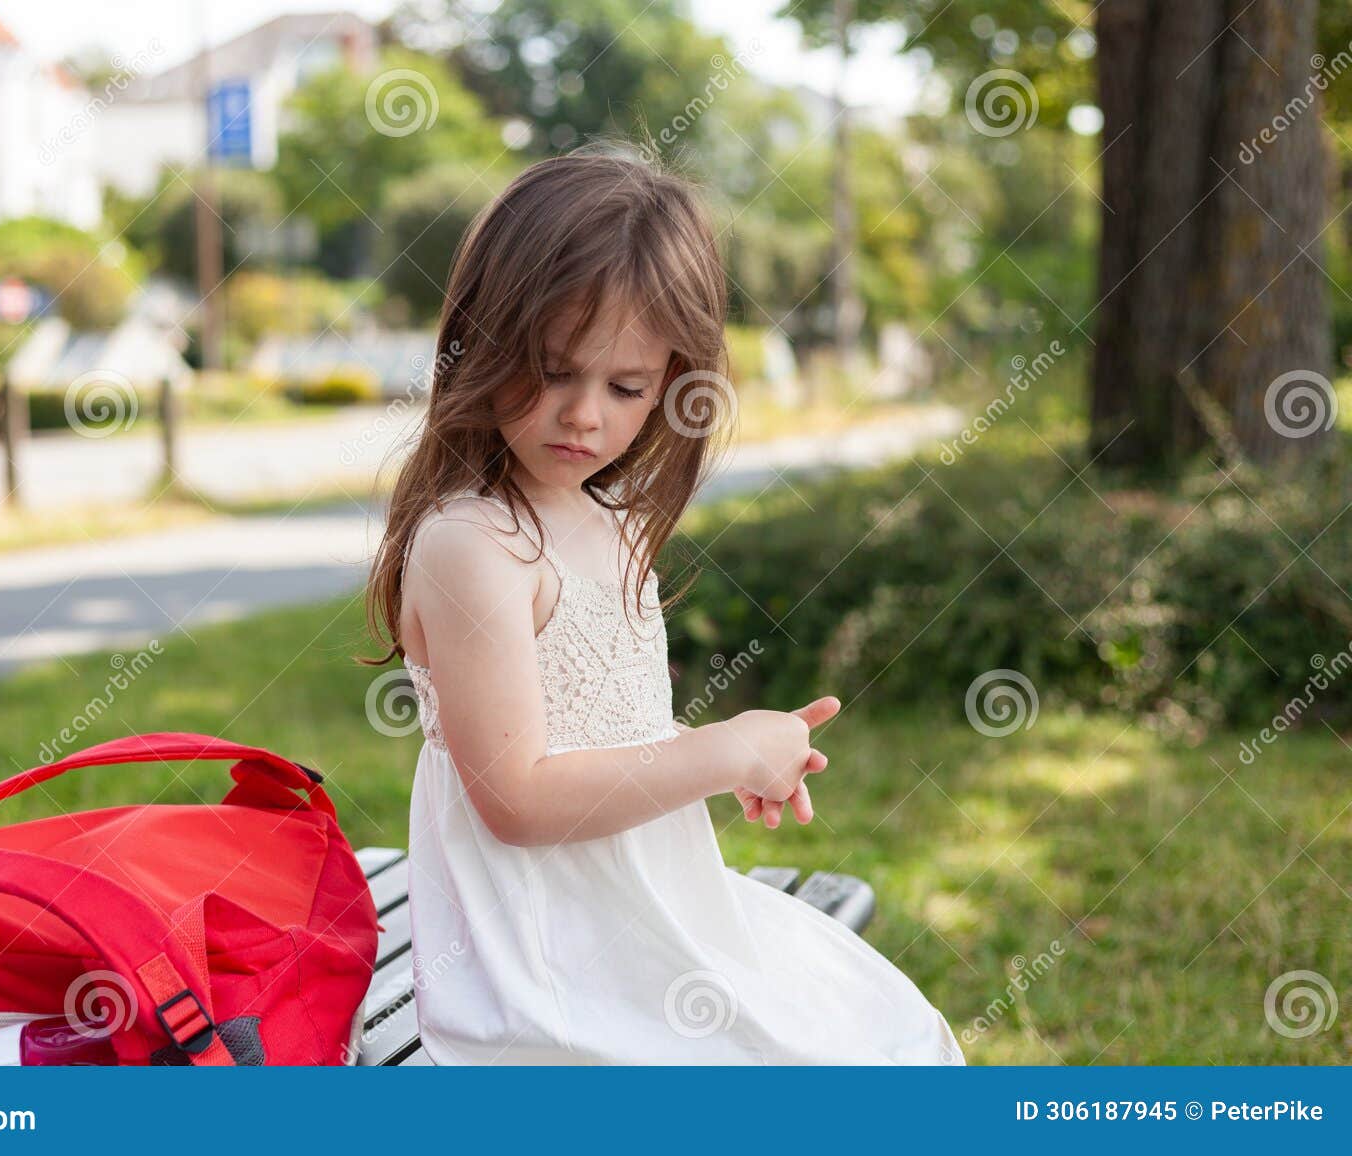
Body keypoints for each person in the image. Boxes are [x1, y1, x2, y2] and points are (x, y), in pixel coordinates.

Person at [363, 144, 964, 1064]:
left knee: (883, 1027)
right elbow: (517, 801)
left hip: (647, 913)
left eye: (626, 387)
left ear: (671, 385)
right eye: (552, 370)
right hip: (540, 970)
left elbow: (612, 739)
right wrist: (718, 751)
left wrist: (734, 761)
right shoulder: (470, 546)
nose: (583, 416)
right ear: (480, 340)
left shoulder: (607, 518)